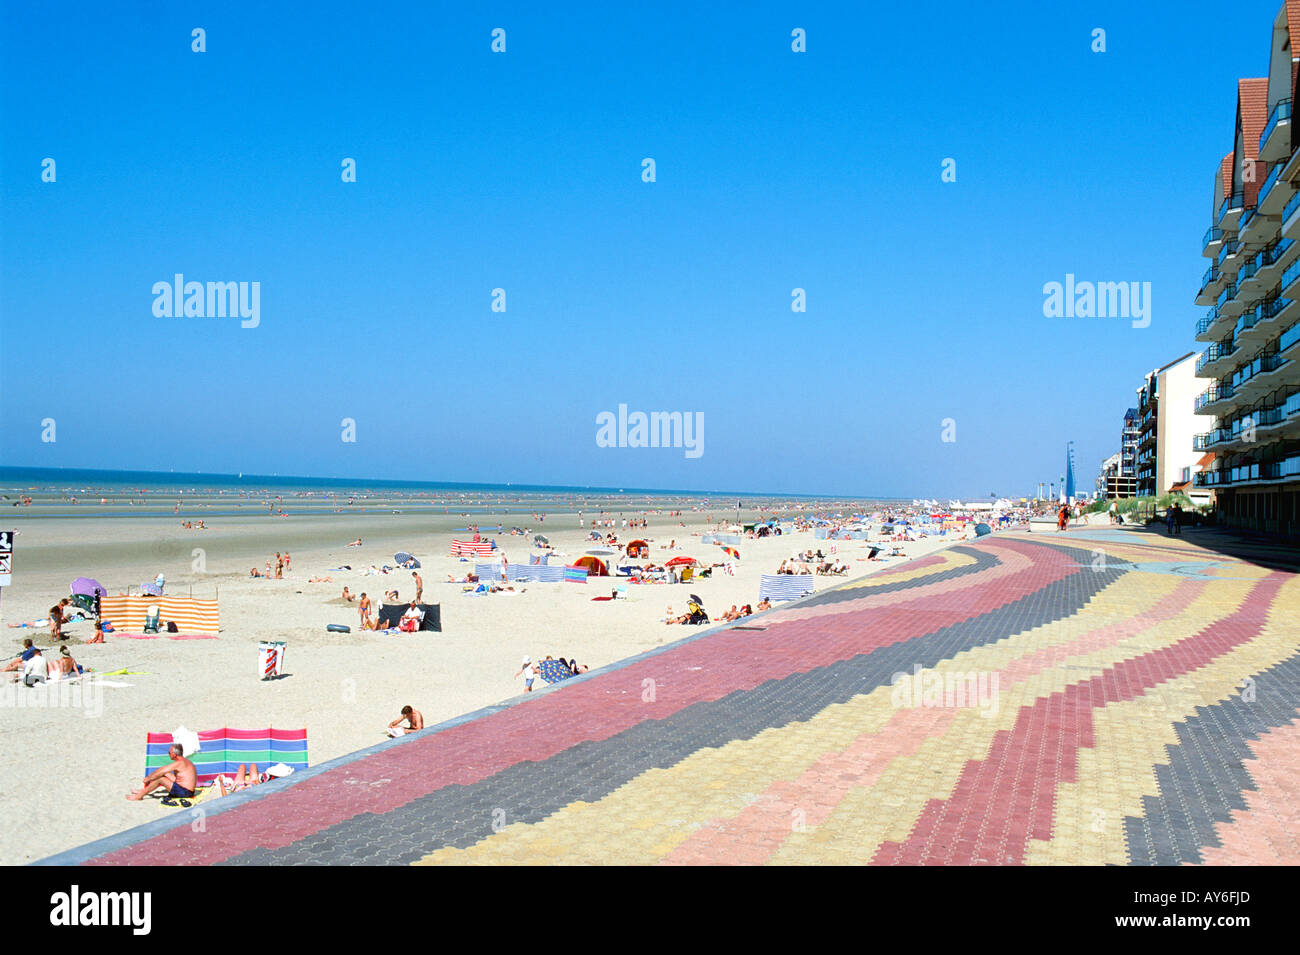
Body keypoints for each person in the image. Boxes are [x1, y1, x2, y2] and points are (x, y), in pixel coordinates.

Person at [127, 743, 197, 801]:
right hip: (187, 790)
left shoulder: (179, 763)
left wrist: (148, 778)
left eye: (169, 753)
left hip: (185, 792)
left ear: (174, 754)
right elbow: (163, 771)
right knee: (165, 774)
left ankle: (139, 796)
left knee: (161, 779)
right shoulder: (185, 761)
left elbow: (161, 770)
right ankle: (143, 791)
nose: (168, 754)